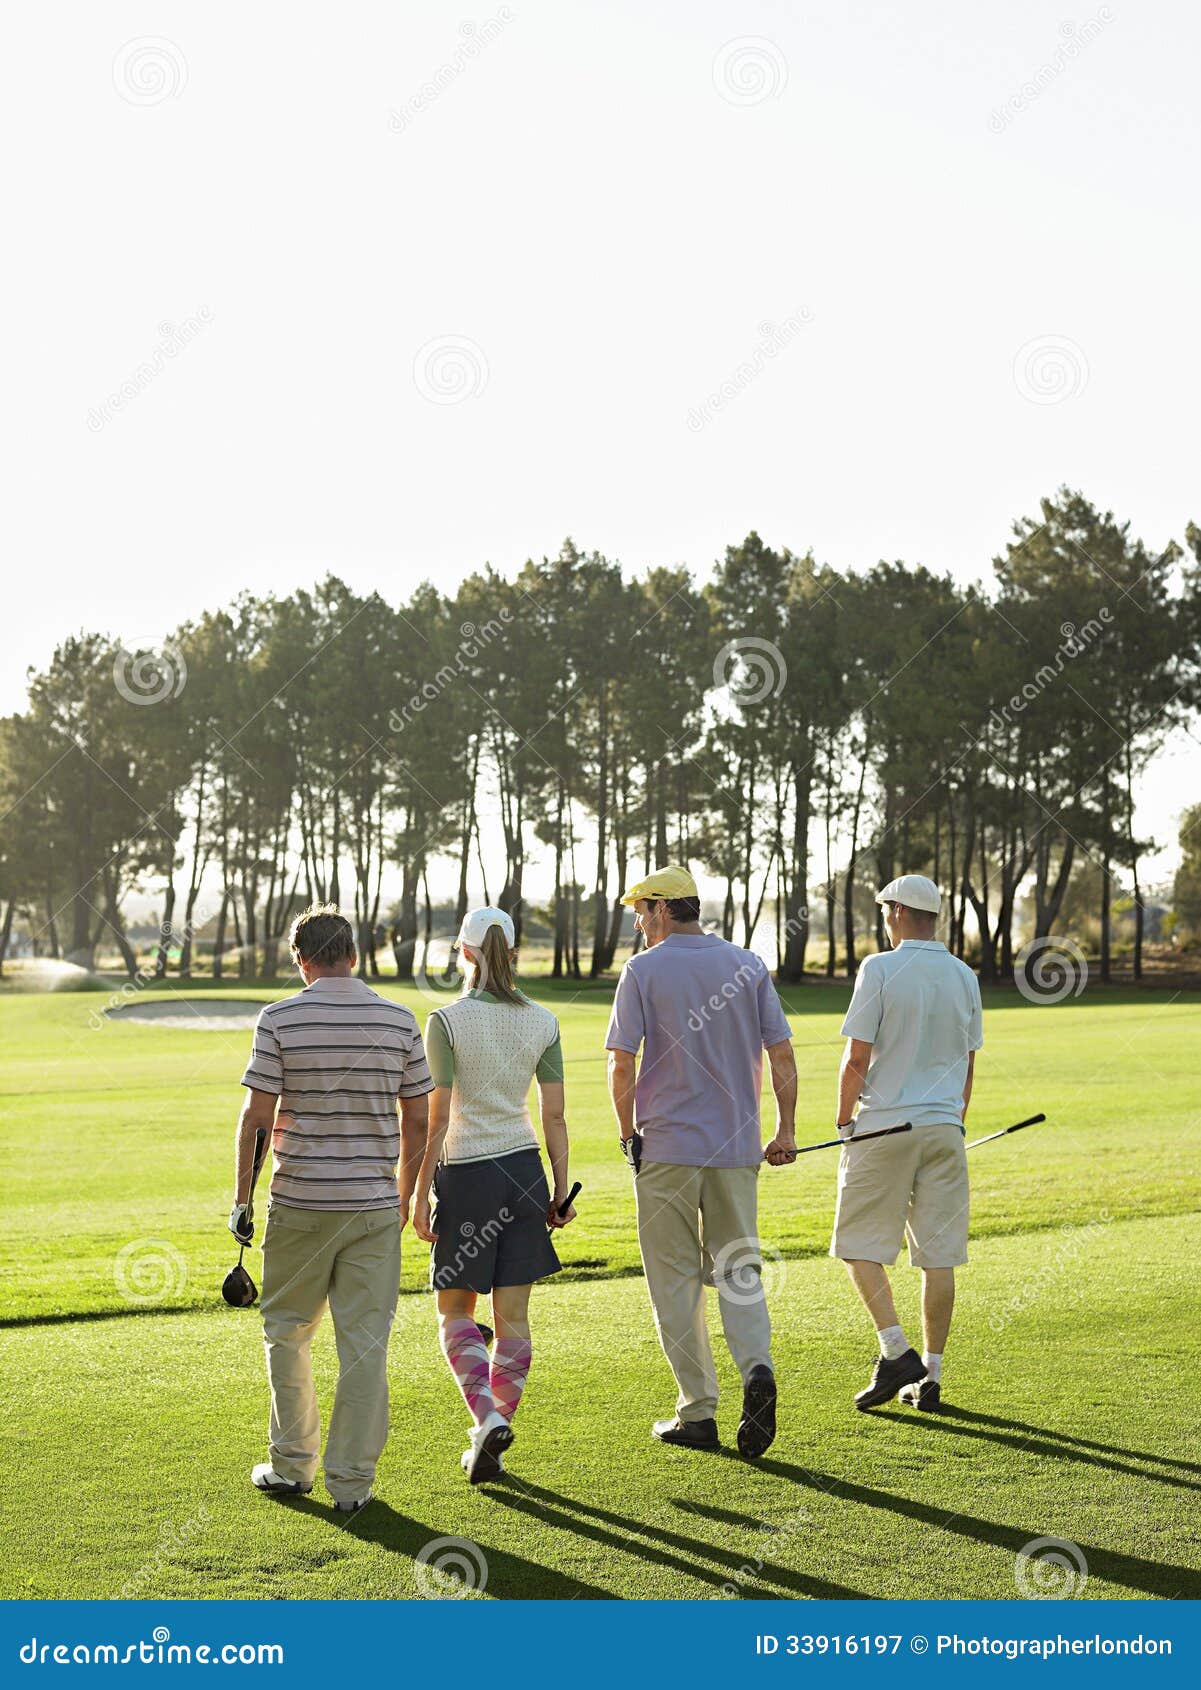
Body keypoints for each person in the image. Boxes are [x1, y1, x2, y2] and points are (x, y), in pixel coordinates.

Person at [230, 904, 433, 1512]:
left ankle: (293, 1468)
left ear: (303, 960)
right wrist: (402, 1194)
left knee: (287, 1334)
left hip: (299, 1205)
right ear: (353, 953)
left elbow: (257, 1118)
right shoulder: (399, 1019)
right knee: (365, 1347)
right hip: (373, 1207)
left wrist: (240, 1198)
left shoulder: (280, 1018)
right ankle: (353, 1487)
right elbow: (419, 1119)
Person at [605, 865, 797, 1458]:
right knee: (740, 1271)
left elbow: (620, 1064)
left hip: (665, 1148)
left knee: (674, 1281)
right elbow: (783, 1054)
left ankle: (698, 1411)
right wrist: (785, 1129)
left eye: (641, 911)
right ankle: (757, 1369)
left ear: (664, 908)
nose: (638, 922)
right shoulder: (748, 964)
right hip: (737, 1147)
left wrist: (626, 1133)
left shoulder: (642, 970)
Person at [412, 906, 575, 1484]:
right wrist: (559, 1187)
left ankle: (485, 1421)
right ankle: (494, 1438)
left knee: (454, 1311)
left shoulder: (445, 1021)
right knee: (514, 1319)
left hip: (468, 1176)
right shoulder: (544, 1020)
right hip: (526, 1172)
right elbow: (553, 1116)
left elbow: (436, 1117)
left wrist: (418, 1191)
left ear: (466, 953)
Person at [831, 874, 983, 1413]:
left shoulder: (880, 968)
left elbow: (856, 1058)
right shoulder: (965, 975)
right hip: (945, 1128)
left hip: (884, 1127)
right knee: (936, 1257)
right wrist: (953, 1122)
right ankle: (932, 1377)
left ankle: (897, 1352)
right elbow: (967, 1065)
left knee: (857, 1245)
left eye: (884, 910)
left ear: (896, 911)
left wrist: (843, 1120)